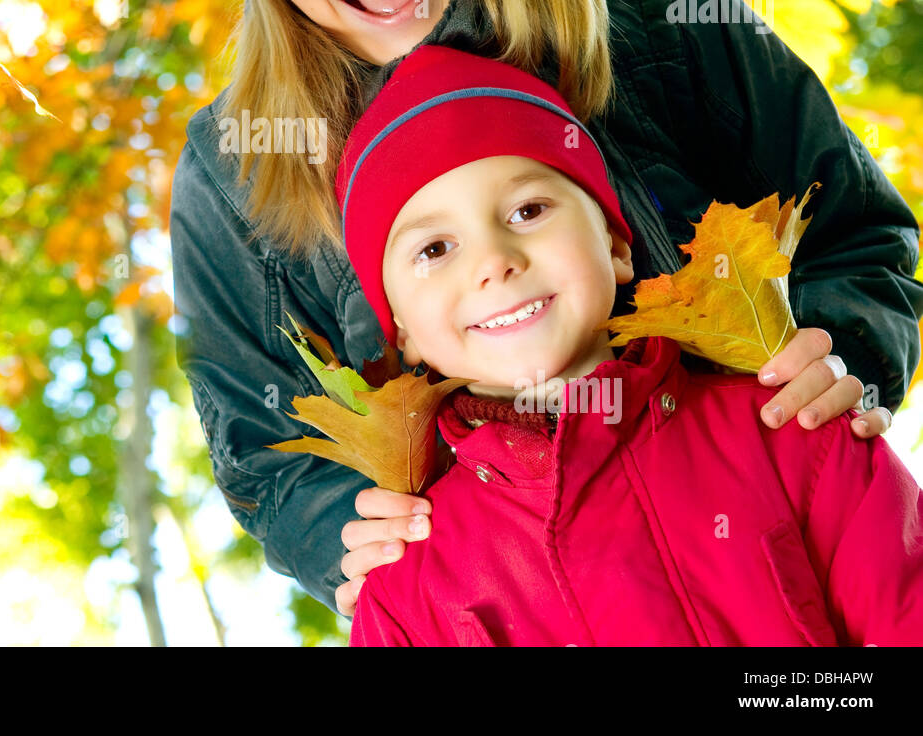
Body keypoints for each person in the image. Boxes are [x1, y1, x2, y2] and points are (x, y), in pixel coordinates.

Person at [161, 0, 923, 618]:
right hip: (518, 604)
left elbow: (852, 226)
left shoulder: (648, 6)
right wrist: (338, 526)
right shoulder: (237, 175)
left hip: (765, 567)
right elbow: (260, 439)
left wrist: (841, 345)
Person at [334, 43, 923, 645]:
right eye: (434, 249)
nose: (493, 262)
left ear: (617, 245)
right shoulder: (406, 591)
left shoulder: (794, 431)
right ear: (400, 330)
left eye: (527, 210)